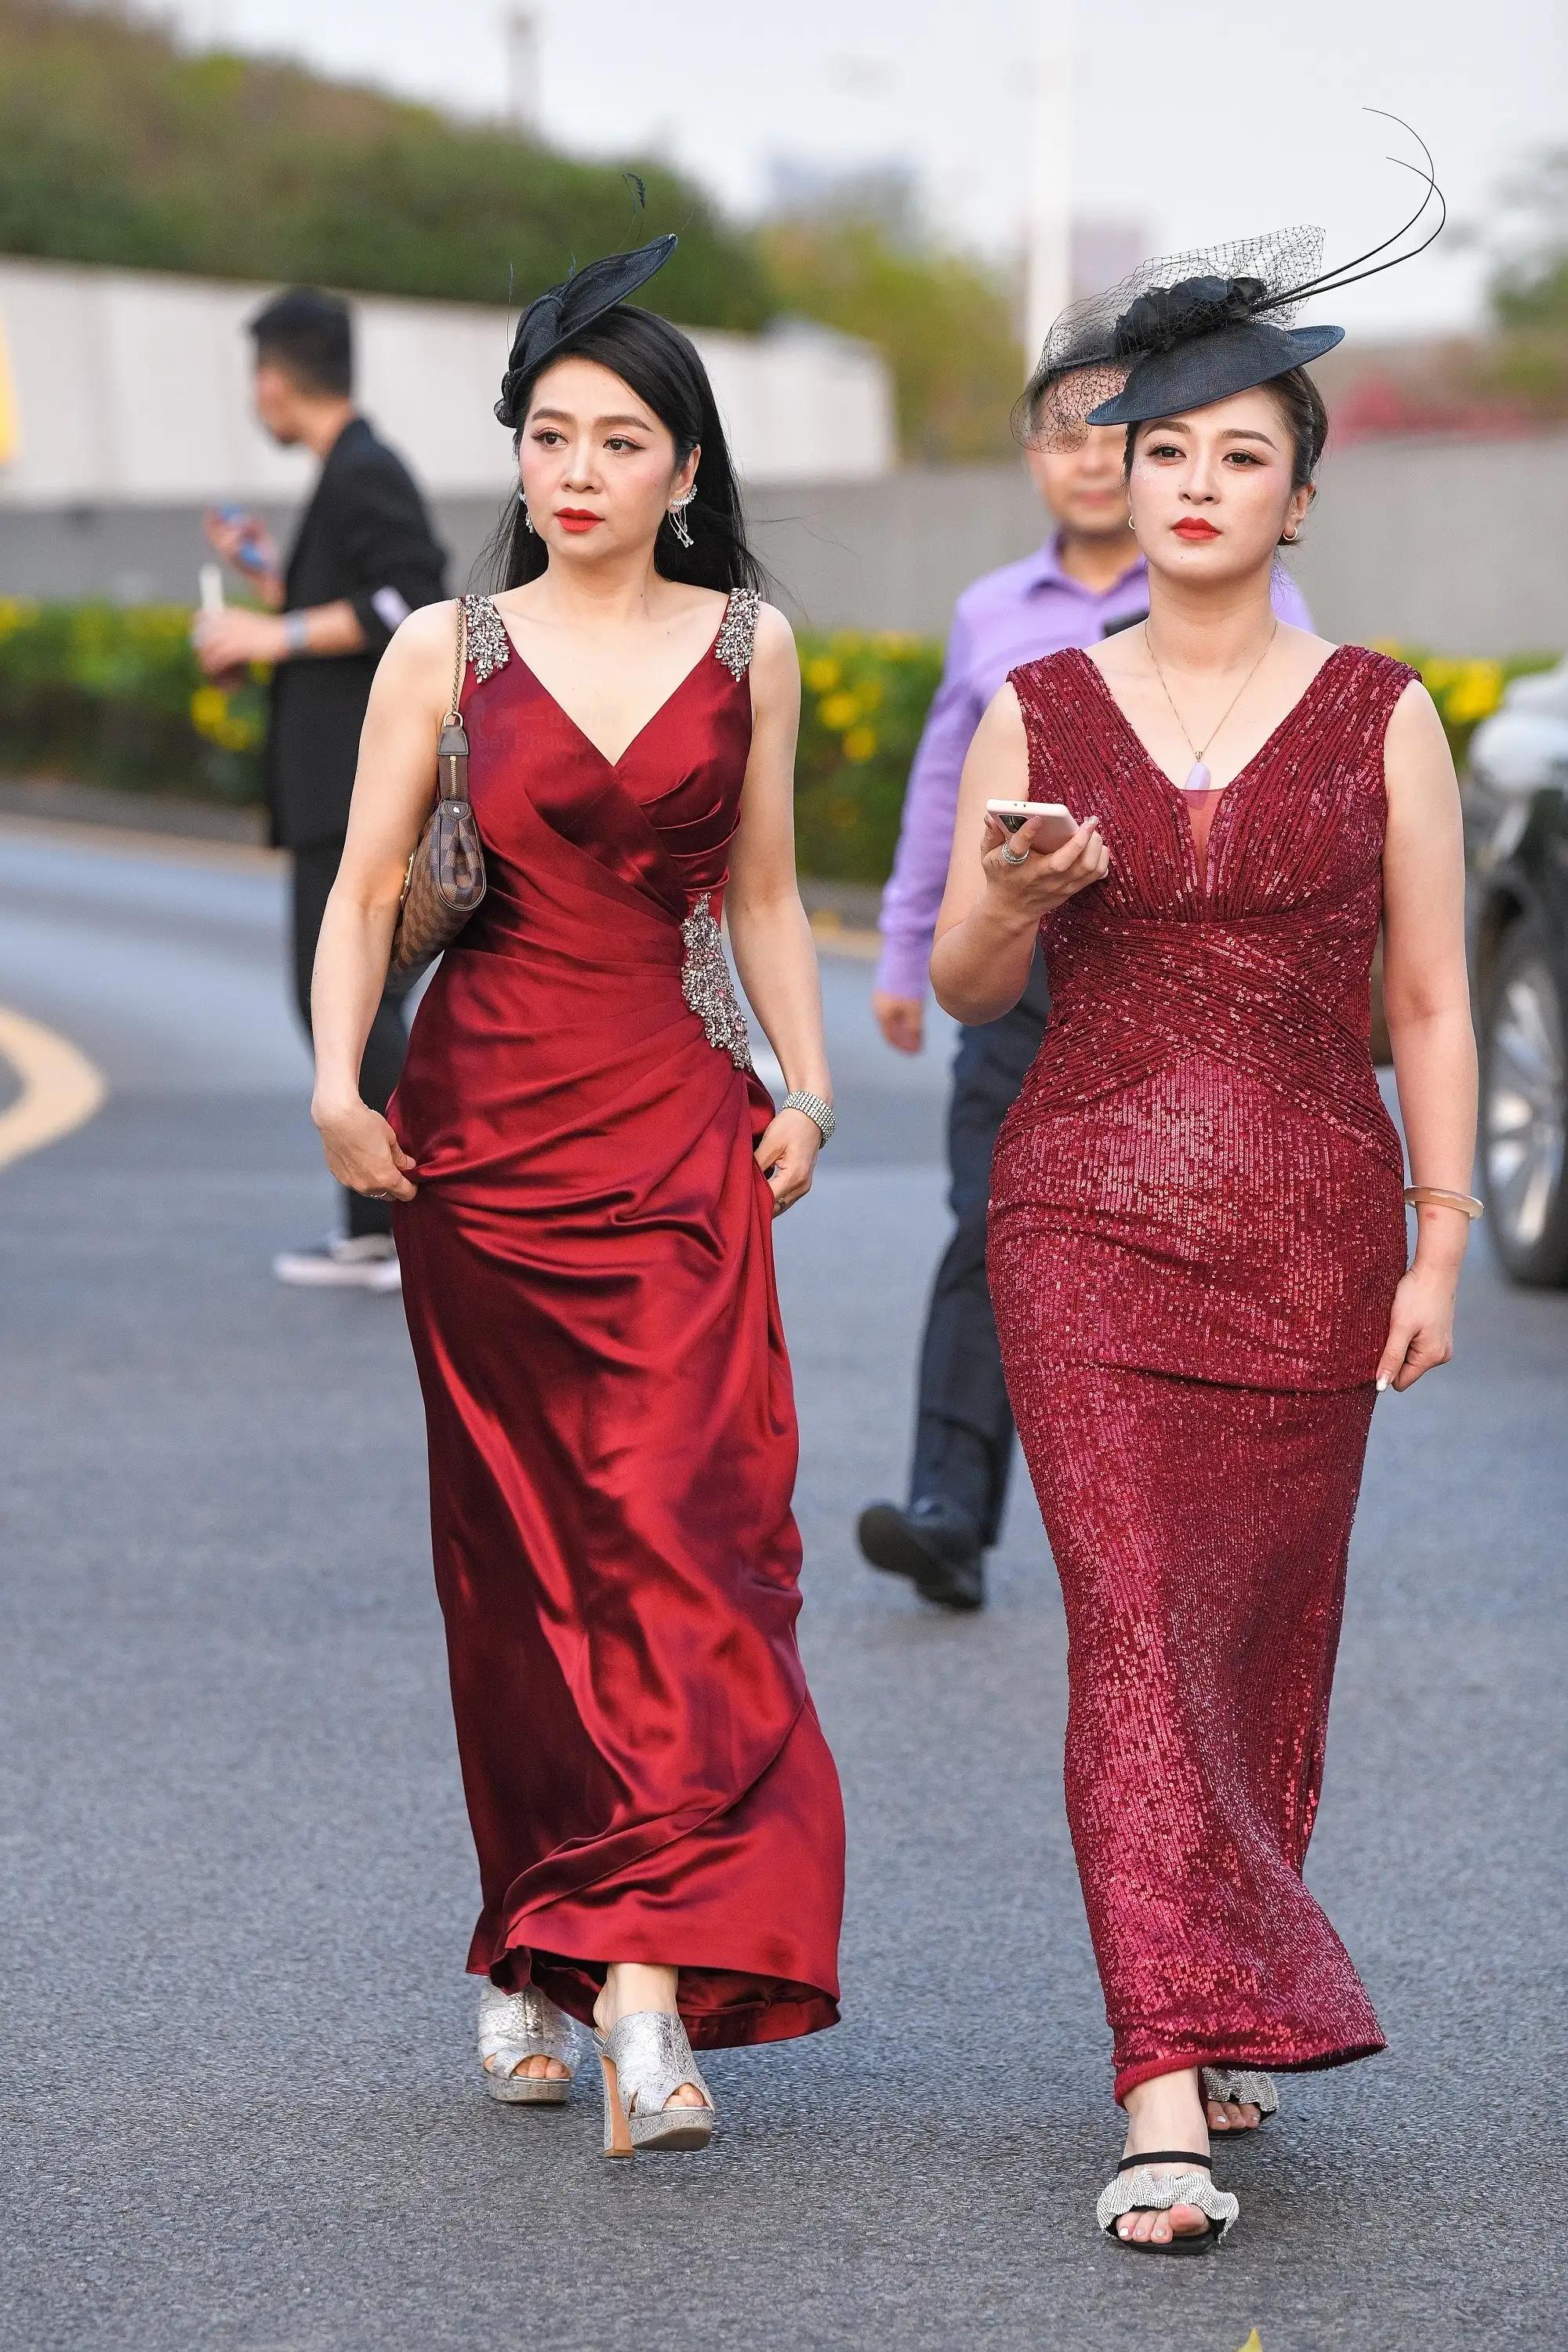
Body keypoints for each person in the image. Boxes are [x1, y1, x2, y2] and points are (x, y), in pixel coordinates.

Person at [931, 191, 1474, 2250]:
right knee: (1135, 1644)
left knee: (1249, 1651)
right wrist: (1015, 891)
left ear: (1299, 497)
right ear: (1116, 474)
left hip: (1309, 1231)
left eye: (1240, 454)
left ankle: (1222, 1972)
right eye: (1161, 450)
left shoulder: (1386, 718)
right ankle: (1161, 2080)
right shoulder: (1044, 709)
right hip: (1080, 1222)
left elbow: (1426, 1003)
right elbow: (979, 989)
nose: (1192, 485)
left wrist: (1436, 1243)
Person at [305, 234, 844, 2155]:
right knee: (523, 1562)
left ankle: (639, 1997)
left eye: (623, 439)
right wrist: (336, 1084)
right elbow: (369, 887)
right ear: (518, 457)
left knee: (681, 1544)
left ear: (682, 471)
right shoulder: (436, 652)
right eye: (551, 434)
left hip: (678, 1138)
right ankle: (535, 1933)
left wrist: (806, 1071)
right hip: (485, 1148)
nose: (582, 468)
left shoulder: (744, 649)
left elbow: (764, 892)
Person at [858, 376, 1310, 1613]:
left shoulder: (1247, 595)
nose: (1097, 462)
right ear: (1033, 461)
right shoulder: (989, 613)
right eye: (1067, 439)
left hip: (1176, 993)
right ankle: (949, 1506)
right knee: (987, 1228)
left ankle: (1166, 1524)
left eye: (1127, 440)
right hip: (1021, 975)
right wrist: (914, 951)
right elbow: (943, 790)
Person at [194, 286, 448, 1291]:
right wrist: (270, 583)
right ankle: (377, 1228)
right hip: (333, 784)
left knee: (349, 995)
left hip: (354, 788)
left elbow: (408, 598)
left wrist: (272, 633)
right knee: (346, 996)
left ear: (274, 378)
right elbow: (360, 601)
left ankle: (397, 1224)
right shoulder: (346, 470)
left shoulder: (365, 470)